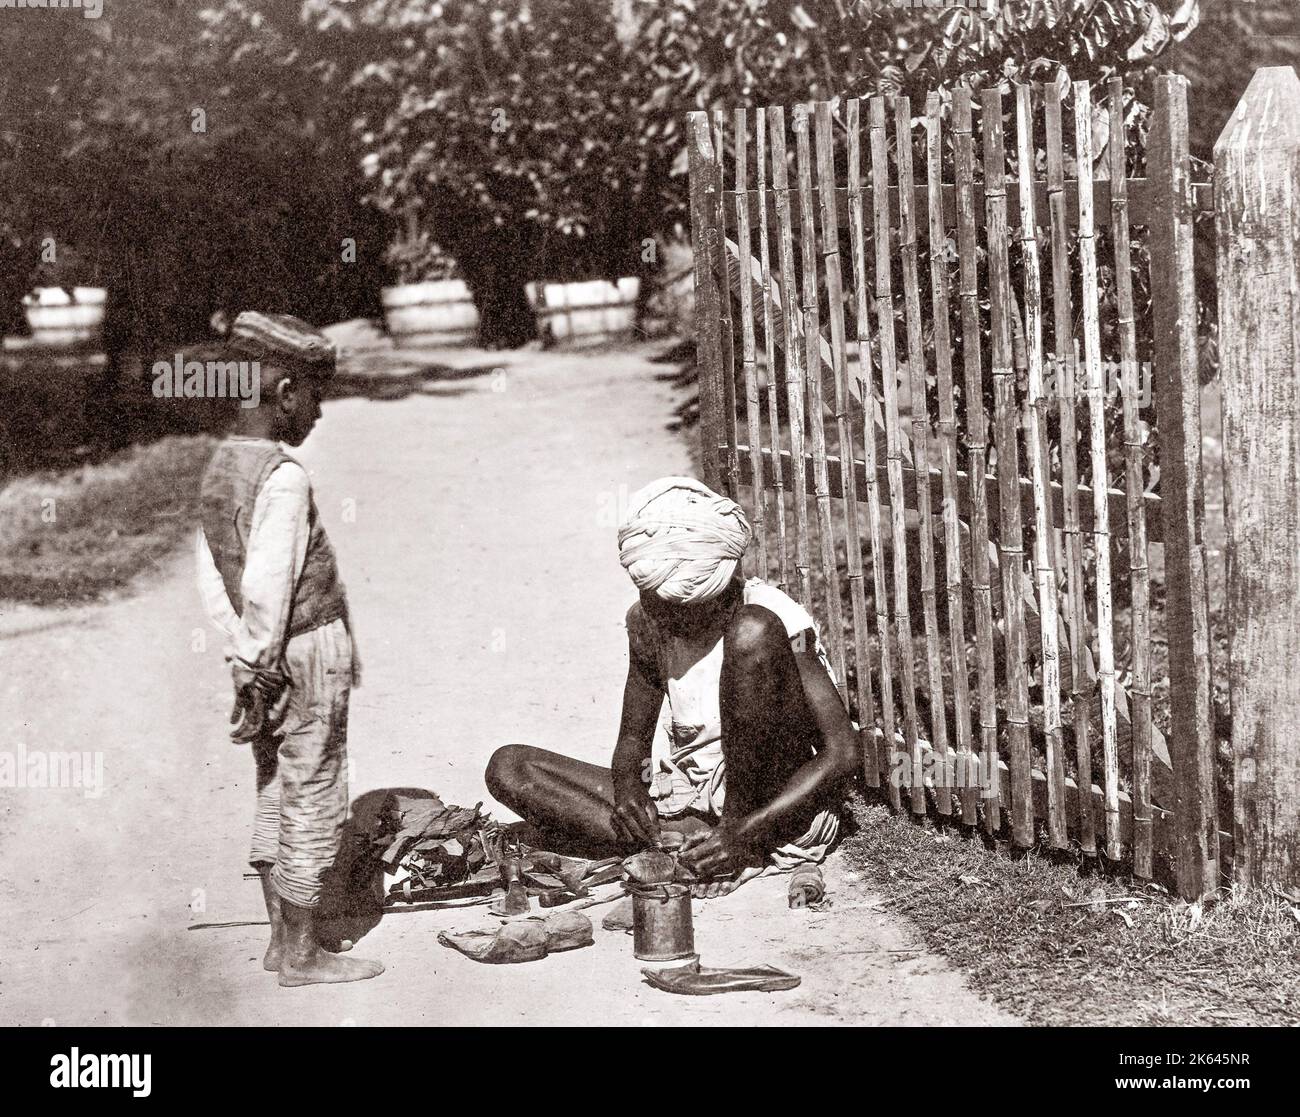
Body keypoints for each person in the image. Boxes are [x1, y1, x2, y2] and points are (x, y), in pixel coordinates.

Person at [487, 476, 860, 897]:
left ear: (718, 592)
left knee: (750, 634)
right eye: (652, 601)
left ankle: (735, 843)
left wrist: (741, 831)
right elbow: (632, 741)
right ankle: (684, 843)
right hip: (689, 799)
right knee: (511, 767)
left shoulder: (771, 620)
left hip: (767, 800)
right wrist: (629, 792)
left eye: (676, 607)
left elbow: (841, 754)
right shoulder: (649, 622)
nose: (663, 616)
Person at [195, 311, 383, 987]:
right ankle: (305, 953)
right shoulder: (284, 475)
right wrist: (265, 659)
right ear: (282, 394)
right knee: (314, 793)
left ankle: (281, 938)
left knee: (274, 788)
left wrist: (244, 663)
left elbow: (220, 580)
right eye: (314, 395)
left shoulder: (219, 468)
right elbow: (271, 585)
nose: (320, 412)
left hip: (263, 660)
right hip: (303, 653)